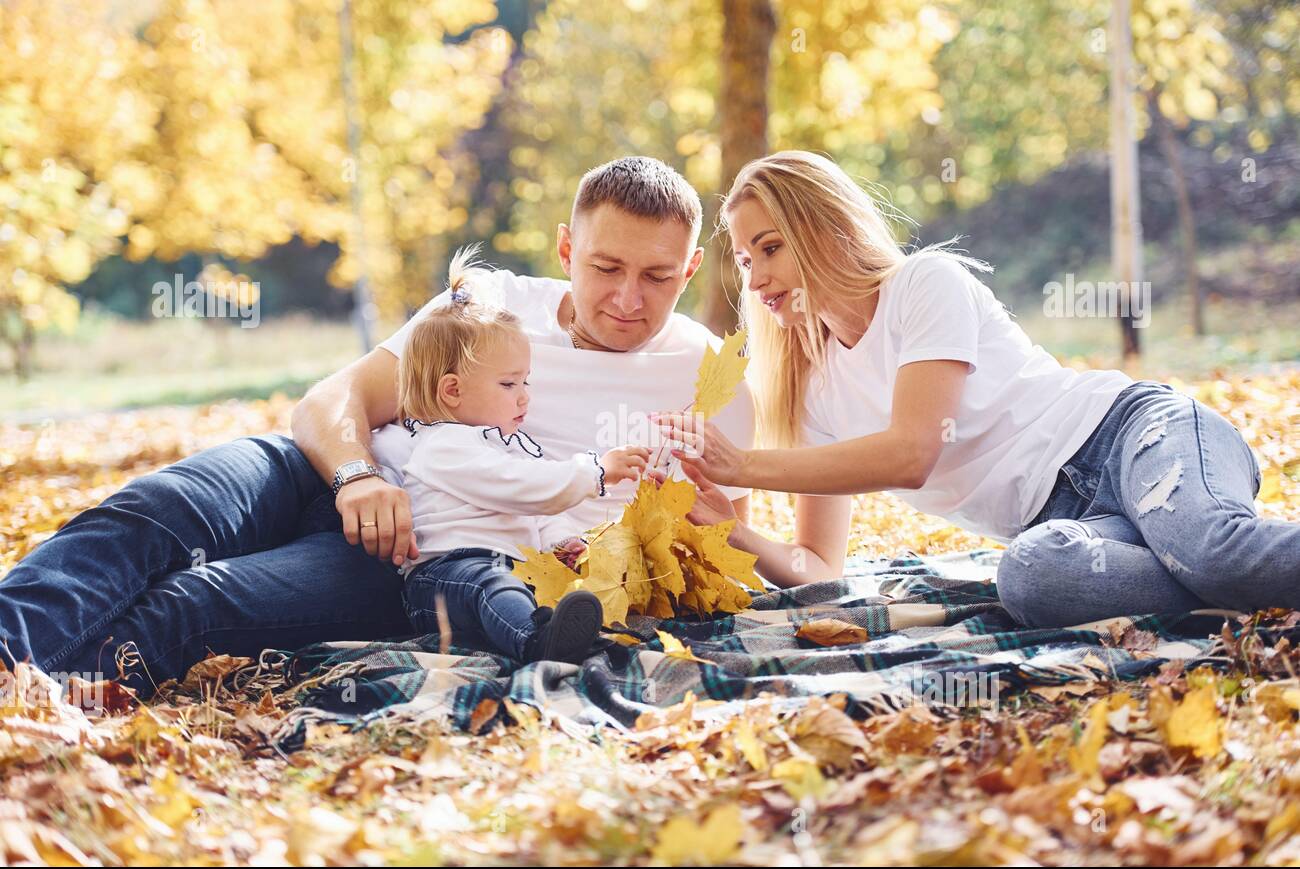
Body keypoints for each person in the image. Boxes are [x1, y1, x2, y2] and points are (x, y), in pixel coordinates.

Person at [0, 155, 755, 691]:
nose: (628, 298)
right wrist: (356, 474)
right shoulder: (492, 303)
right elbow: (331, 401)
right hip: (325, 471)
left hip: (422, 556)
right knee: (153, 514)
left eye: (658, 277)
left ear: (690, 271)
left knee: (194, 602)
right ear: (566, 248)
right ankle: (7, 654)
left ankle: (38, 700)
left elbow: (719, 537)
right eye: (605, 268)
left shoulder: (705, 375)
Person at [654, 150, 1299, 627]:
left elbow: (913, 453)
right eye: (743, 260)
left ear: (826, 229)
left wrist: (743, 467)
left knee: (1216, 552)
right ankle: (1201, 565)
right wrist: (732, 533)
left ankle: (1208, 555)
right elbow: (821, 570)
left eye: (770, 248)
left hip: (1133, 437)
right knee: (1032, 580)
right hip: (1064, 526)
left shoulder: (922, 285)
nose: (756, 278)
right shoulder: (813, 389)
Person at [395, 249, 650, 663]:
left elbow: (534, 513)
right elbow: (523, 489)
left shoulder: (501, 444)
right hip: (442, 581)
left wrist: (560, 540)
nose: (524, 395)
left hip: (506, 568)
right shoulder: (443, 448)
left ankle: (569, 634)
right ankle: (537, 641)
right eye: (509, 383)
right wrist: (595, 471)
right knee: (490, 583)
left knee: (518, 584)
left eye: (525, 381)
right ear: (453, 391)